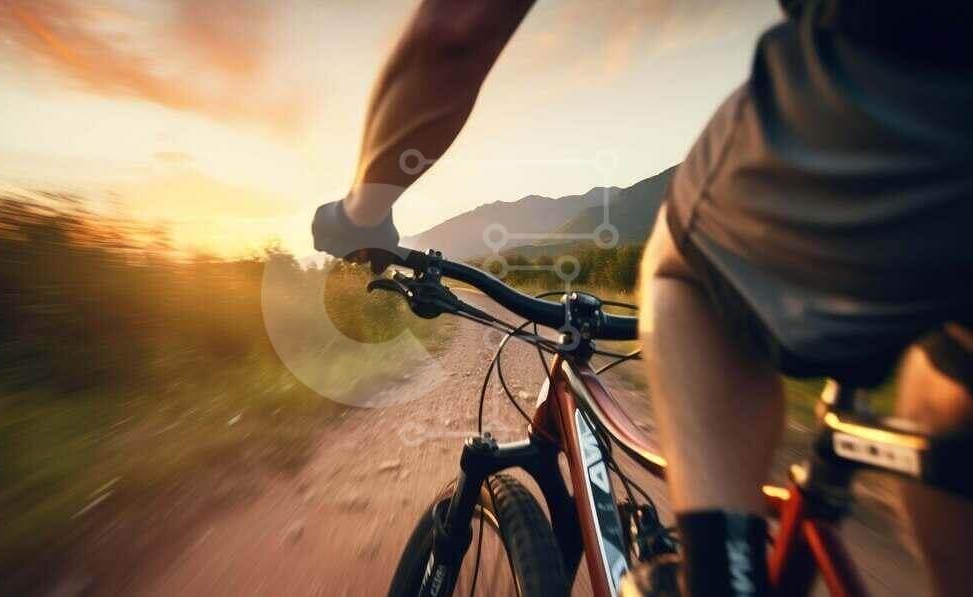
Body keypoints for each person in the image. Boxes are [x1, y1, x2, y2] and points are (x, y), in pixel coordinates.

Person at [311, 1, 973, 595]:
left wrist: (362, 212)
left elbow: (456, 26)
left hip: (914, 62)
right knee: (943, 380)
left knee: (693, 280)